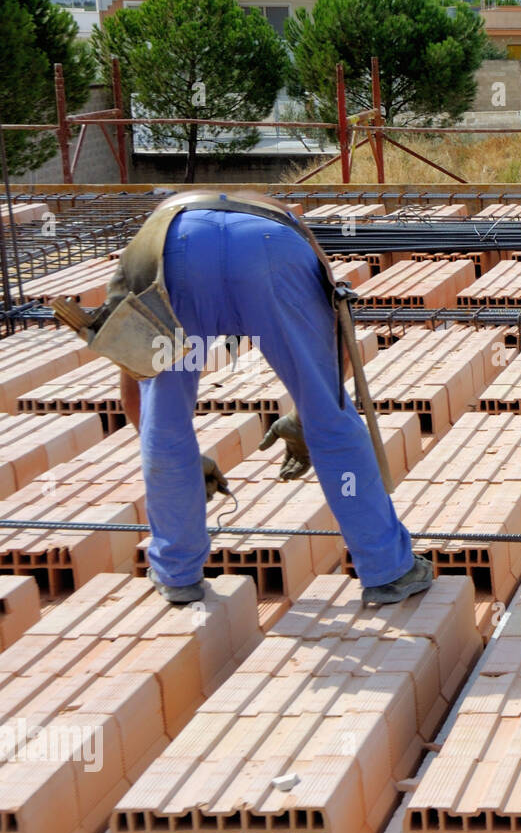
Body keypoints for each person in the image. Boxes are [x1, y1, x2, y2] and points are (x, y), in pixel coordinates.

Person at [100, 190, 432, 607]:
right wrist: (309, 414)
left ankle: (177, 573)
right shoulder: (281, 213)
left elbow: (135, 377)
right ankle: (388, 571)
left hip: (175, 249)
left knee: (163, 422)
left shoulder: (158, 225)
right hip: (270, 247)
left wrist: (178, 459)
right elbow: (337, 345)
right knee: (331, 415)